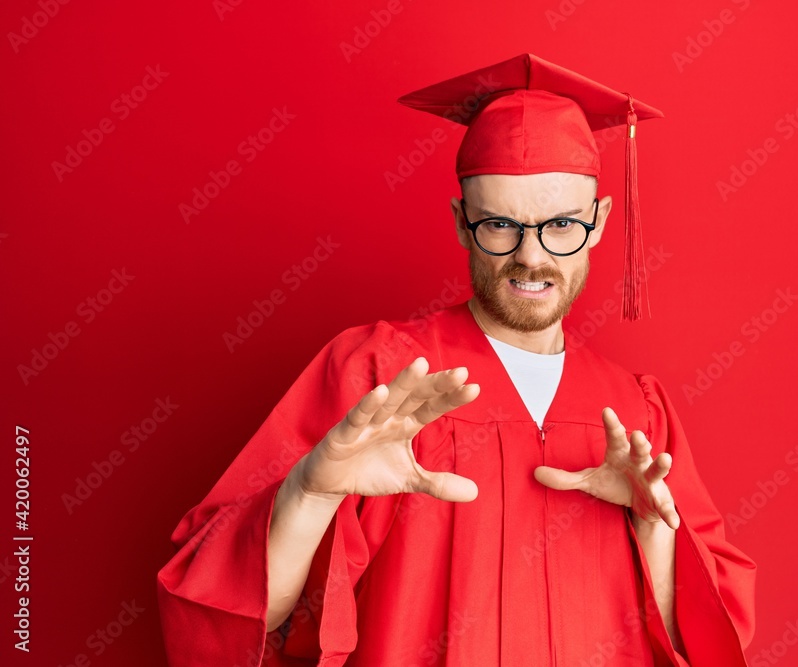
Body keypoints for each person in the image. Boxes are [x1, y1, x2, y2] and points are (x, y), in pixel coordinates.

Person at [157, 53, 755, 667]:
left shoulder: (637, 413)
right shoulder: (382, 376)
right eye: (500, 224)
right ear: (462, 224)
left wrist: (655, 532)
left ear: (598, 222)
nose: (531, 256)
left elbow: (707, 642)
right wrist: (308, 496)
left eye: (561, 224)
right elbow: (232, 614)